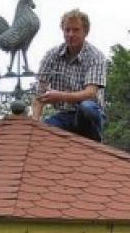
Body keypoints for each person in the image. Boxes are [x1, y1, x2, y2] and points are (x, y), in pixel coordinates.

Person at [32, 8, 108, 141]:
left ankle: (94, 144)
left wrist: (60, 96)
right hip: (64, 115)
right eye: (67, 30)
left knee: (87, 108)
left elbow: (90, 93)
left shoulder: (96, 56)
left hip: (88, 113)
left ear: (86, 32)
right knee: (43, 133)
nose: (70, 34)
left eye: (76, 30)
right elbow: (39, 94)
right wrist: (35, 123)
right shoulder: (51, 55)